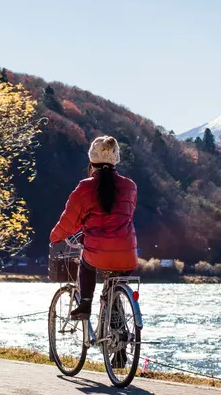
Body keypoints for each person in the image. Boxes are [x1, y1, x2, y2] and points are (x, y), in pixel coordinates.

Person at [50, 136, 138, 320]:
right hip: (128, 253)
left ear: (92, 161)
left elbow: (70, 220)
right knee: (114, 286)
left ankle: (85, 305)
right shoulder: (130, 186)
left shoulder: (85, 187)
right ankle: (117, 332)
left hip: (97, 252)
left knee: (86, 264)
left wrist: (55, 237)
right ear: (116, 160)